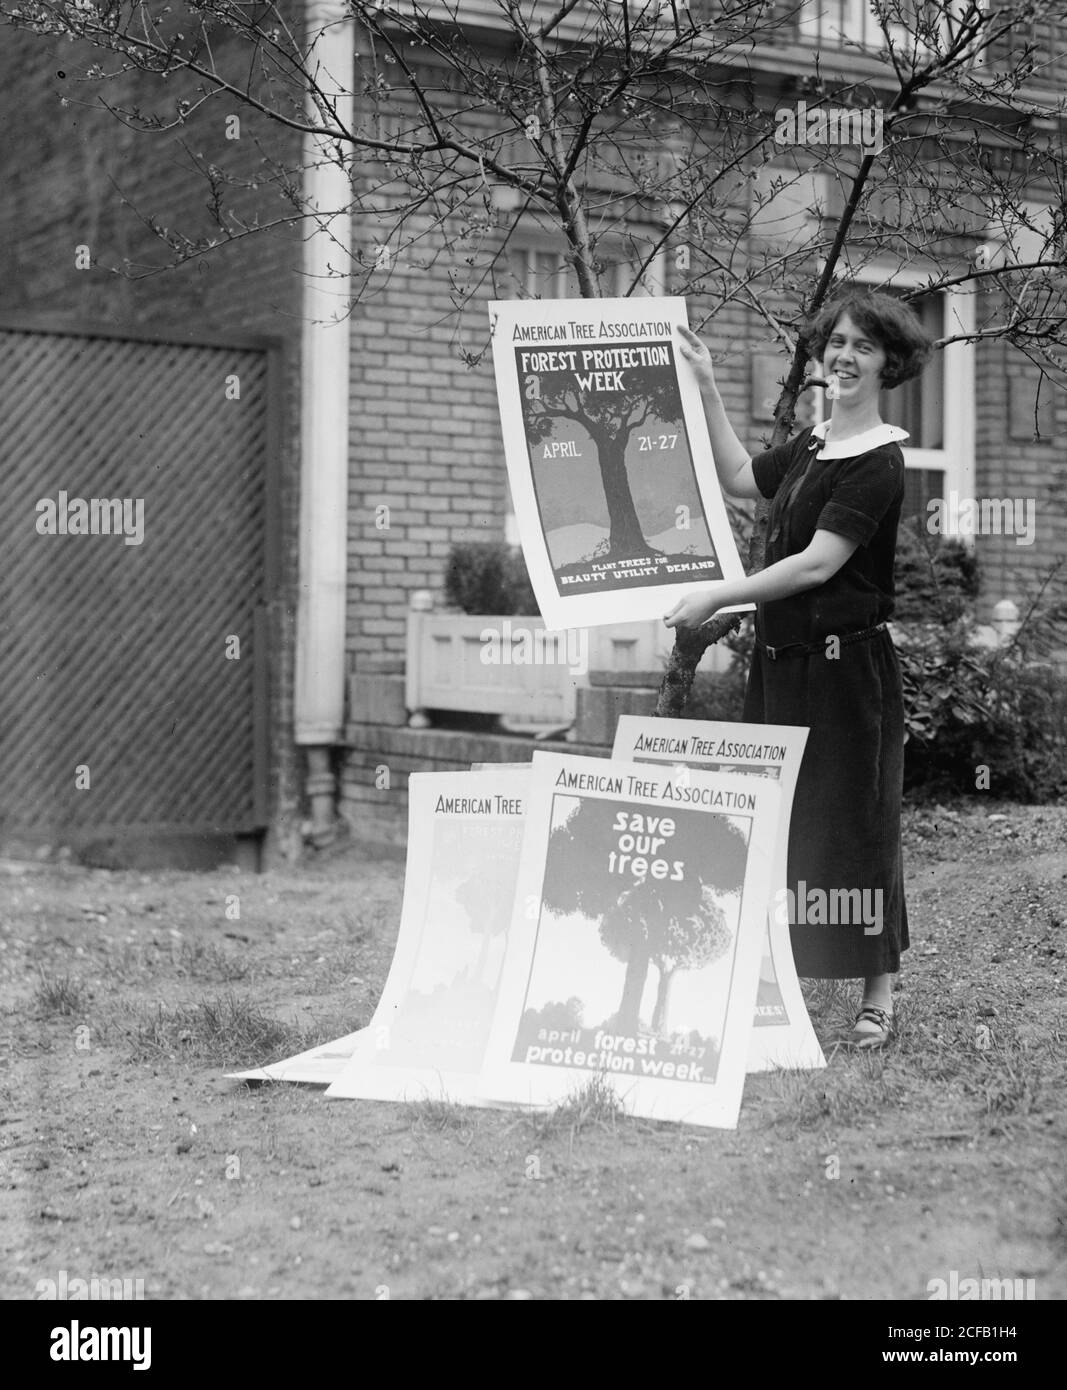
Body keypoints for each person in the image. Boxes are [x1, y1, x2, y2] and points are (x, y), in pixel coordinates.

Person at [665, 289, 934, 1047]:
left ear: (889, 363)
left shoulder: (879, 460)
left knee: (858, 824)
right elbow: (738, 478)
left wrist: (719, 595)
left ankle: (878, 992)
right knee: (775, 823)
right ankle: (766, 980)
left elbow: (816, 566)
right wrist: (708, 386)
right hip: (781, 669)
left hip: (848, 673)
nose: (843, 357)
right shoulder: (812, 449)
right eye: (835, 343)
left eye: (863, 346)